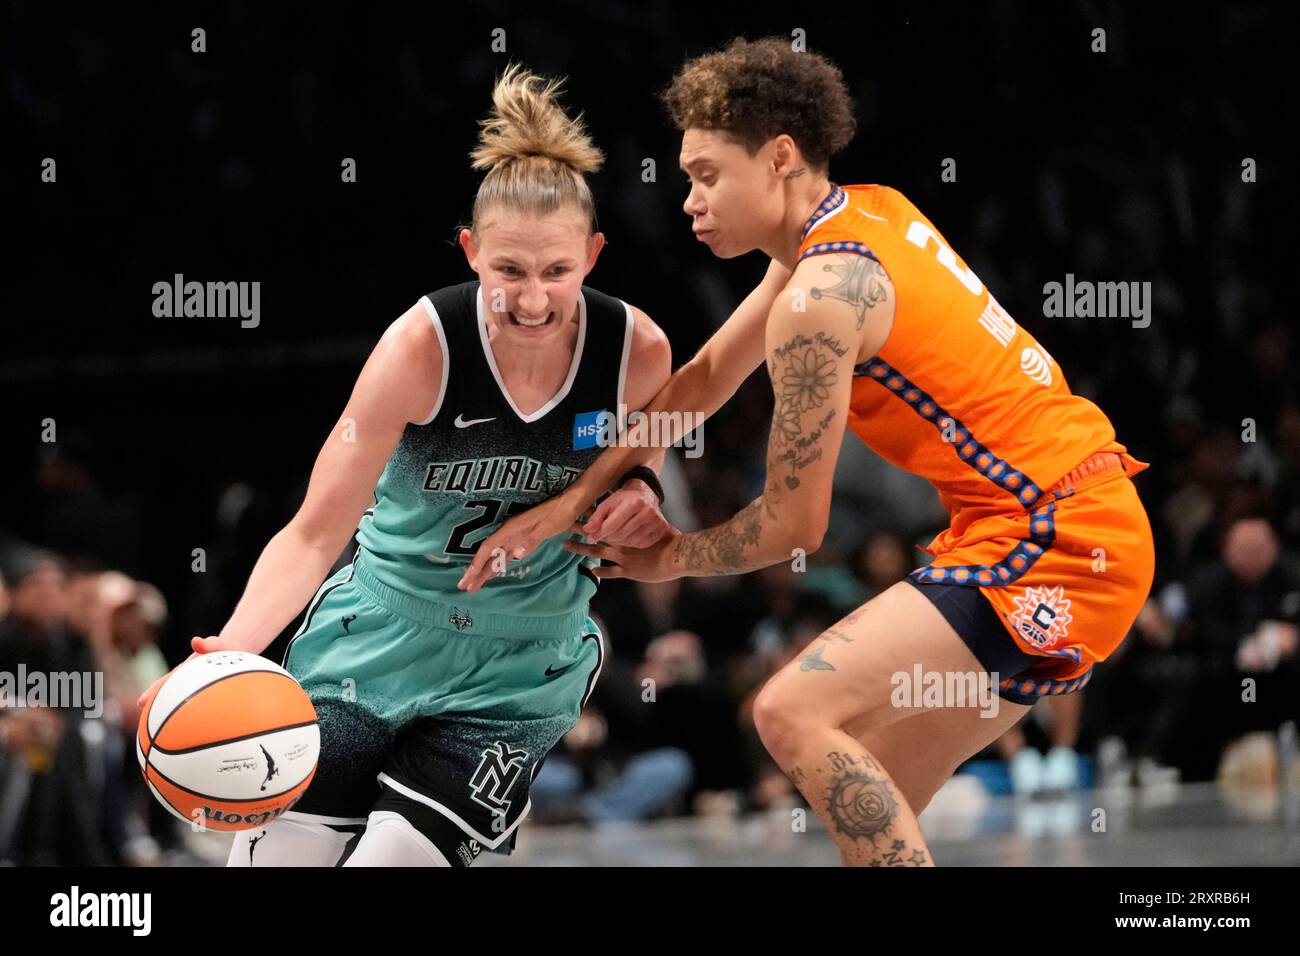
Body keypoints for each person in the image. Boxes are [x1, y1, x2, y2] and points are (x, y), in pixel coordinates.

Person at [460, 37, 1156, 867]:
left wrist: (673, 557)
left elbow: (795, 528)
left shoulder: (822, 298)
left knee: (788, 712)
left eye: (707, 174)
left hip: (1055, 535)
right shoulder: (867, 216)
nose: (688, 200)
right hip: (1076, 525)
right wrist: (569, 503)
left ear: (780, 158)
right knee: (881, 799)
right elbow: (704, 379)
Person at [139, 63, 679, 867]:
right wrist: (234, 650)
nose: (532, 300)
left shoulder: (638, 352)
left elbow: (634, 487)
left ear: (594, 255)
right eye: (509, 272)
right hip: (378, 635)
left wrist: (639, 501)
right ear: (470, 252)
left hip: (522, 661)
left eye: (557, 272)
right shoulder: (421, 349)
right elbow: (317, 531)